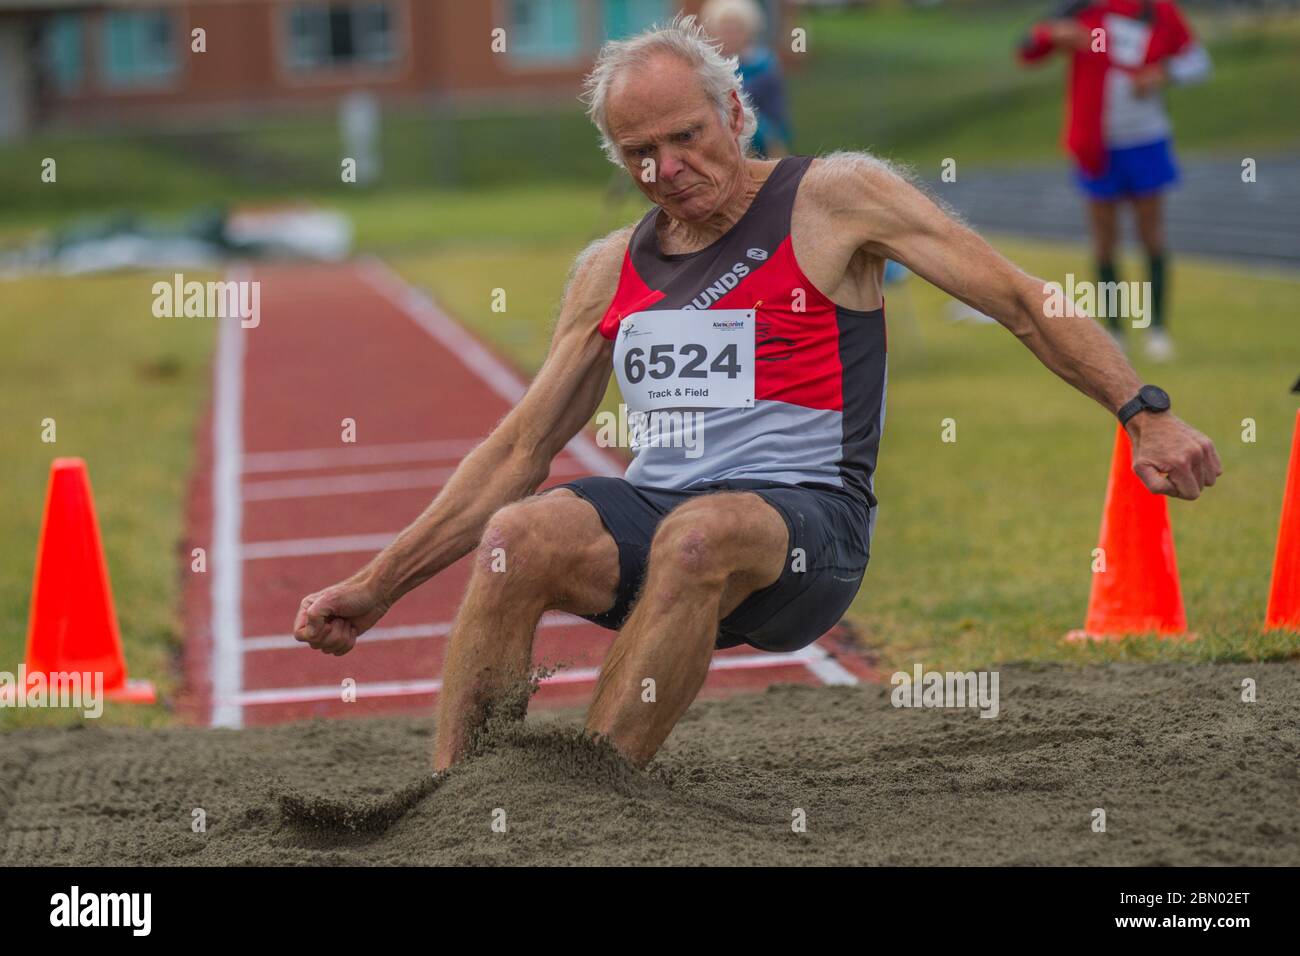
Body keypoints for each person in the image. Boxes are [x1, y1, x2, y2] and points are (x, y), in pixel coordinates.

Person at [293, 16, 1221, 770]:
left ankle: (592, 792)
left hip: (807, 530)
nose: (668, 169)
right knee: (515, 536)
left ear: (736, 112)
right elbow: (517, 451)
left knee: (705, 533)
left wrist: (1144, 410)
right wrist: (378, 586)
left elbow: (1023, 300)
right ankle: (466, 801)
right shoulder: (608, 268)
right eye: (640, 153)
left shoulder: (834, 198)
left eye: (686, 137)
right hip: (658, 515)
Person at [1019, 0, 1211, 361]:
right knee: (1104, 241)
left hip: (1146, 139)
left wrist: (1163, 73)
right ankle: (1115, 331)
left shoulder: (1160, 10)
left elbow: (1199, 62)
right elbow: (1027, 50)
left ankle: (1157, 330)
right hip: (1096, 144)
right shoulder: (1082, 9)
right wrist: (1051, 33)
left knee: (1151, 235)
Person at [701, 0, 791, 158]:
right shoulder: (707, 70)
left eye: (736, 29)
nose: (731, 35)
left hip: (762, 147)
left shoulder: (765, 67)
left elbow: (777, 120)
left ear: (749, 31)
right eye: (725, 29)